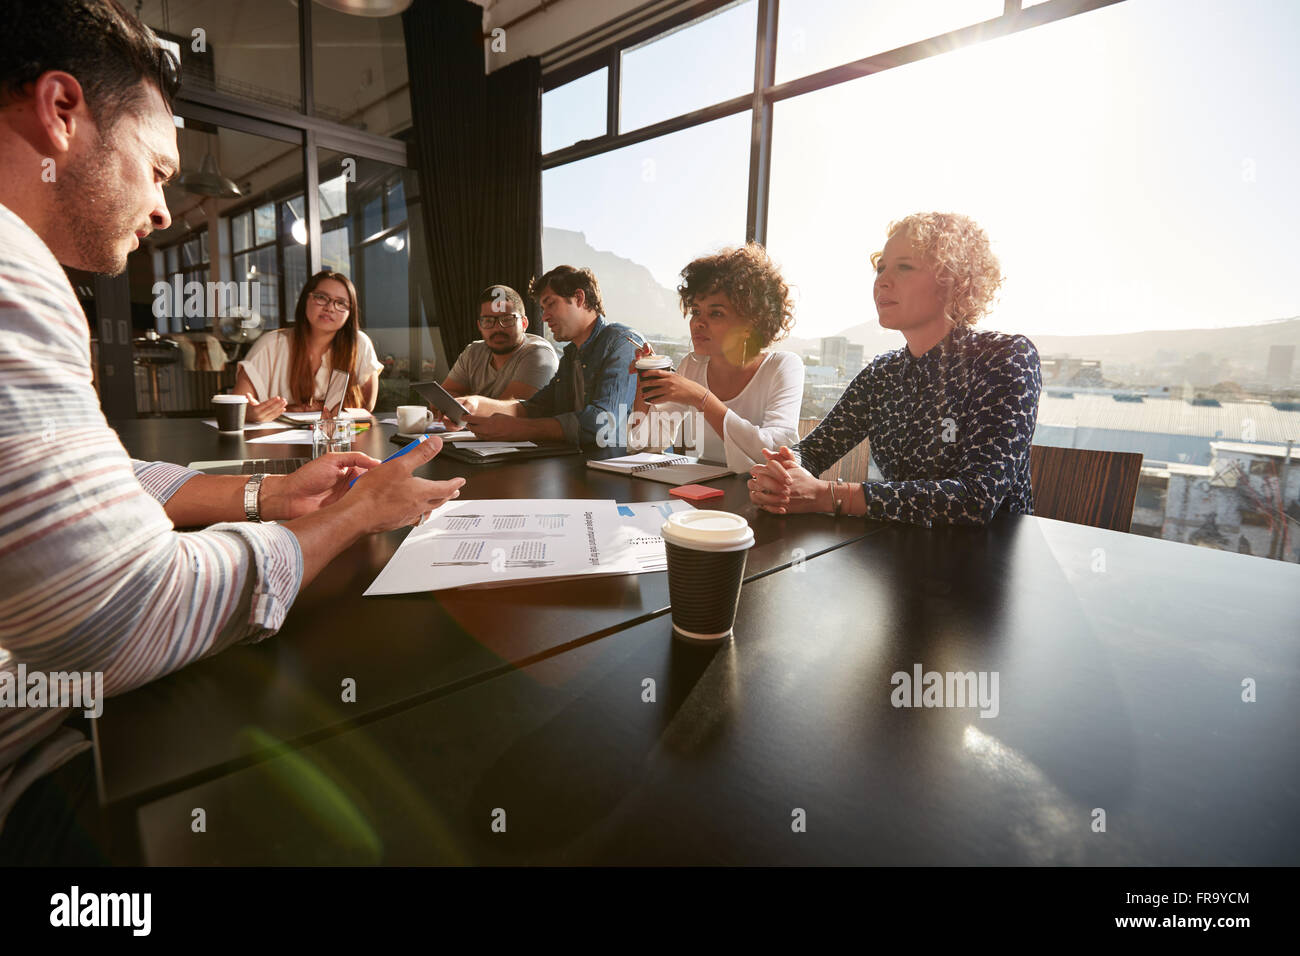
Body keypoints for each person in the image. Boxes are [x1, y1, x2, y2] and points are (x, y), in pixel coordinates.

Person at [0, 0, 464, 862]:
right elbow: (125, 618)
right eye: (159, 169)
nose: (167, 209)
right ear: (62, 113)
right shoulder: (11, 271)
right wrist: (351, 519)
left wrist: (263, 490)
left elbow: (93, 477)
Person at [748, 212, 1042, 526]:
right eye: (881, 268)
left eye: (904, 267)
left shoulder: (1005, 357)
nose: (882, 281)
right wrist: (785, 470)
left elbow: (976, 498)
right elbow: (816, 449)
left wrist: (828, 495)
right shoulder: (881, 373)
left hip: (994, 561)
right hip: (898, 554)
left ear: (953, 280)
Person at [626, 243, 803, 472]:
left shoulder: (783, 366)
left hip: (762, 498)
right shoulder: (692, 365)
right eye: (696, 311)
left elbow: (776, 452)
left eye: (716, 313)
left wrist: (702, 398)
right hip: (703, 493)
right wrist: (645, 384)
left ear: (751, 323)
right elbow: (642, 447)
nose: (698, 322)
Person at [459, 266, 642, 446]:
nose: (544, 317)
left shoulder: (622, 343)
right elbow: (536, 407)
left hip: (624, 466)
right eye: (542, 308)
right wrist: (475, 404)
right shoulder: (571, 356)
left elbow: (603, 422)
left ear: (579, 298)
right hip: (581, 463)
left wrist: (521, 429)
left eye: (551, 303)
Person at [233, 270, 384, 422]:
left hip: (336, 439)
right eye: (321, 298)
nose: (330, 308)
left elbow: (366, 407)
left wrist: (312, 407)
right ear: (305, 299)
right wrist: (249, 413)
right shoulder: (270, 344)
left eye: (340, 303)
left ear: (350, 312)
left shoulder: (359, 344)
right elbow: (236, 406)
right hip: (278, 441)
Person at [439, 284, 558, 410]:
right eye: (488, 321)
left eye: (507, 319)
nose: (497, 328)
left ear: (524, 323)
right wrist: (450, 412)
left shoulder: (540, 354)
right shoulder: (473, 352)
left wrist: (467, 406)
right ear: (479, 326)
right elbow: (444, 397)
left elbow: (508, 413)